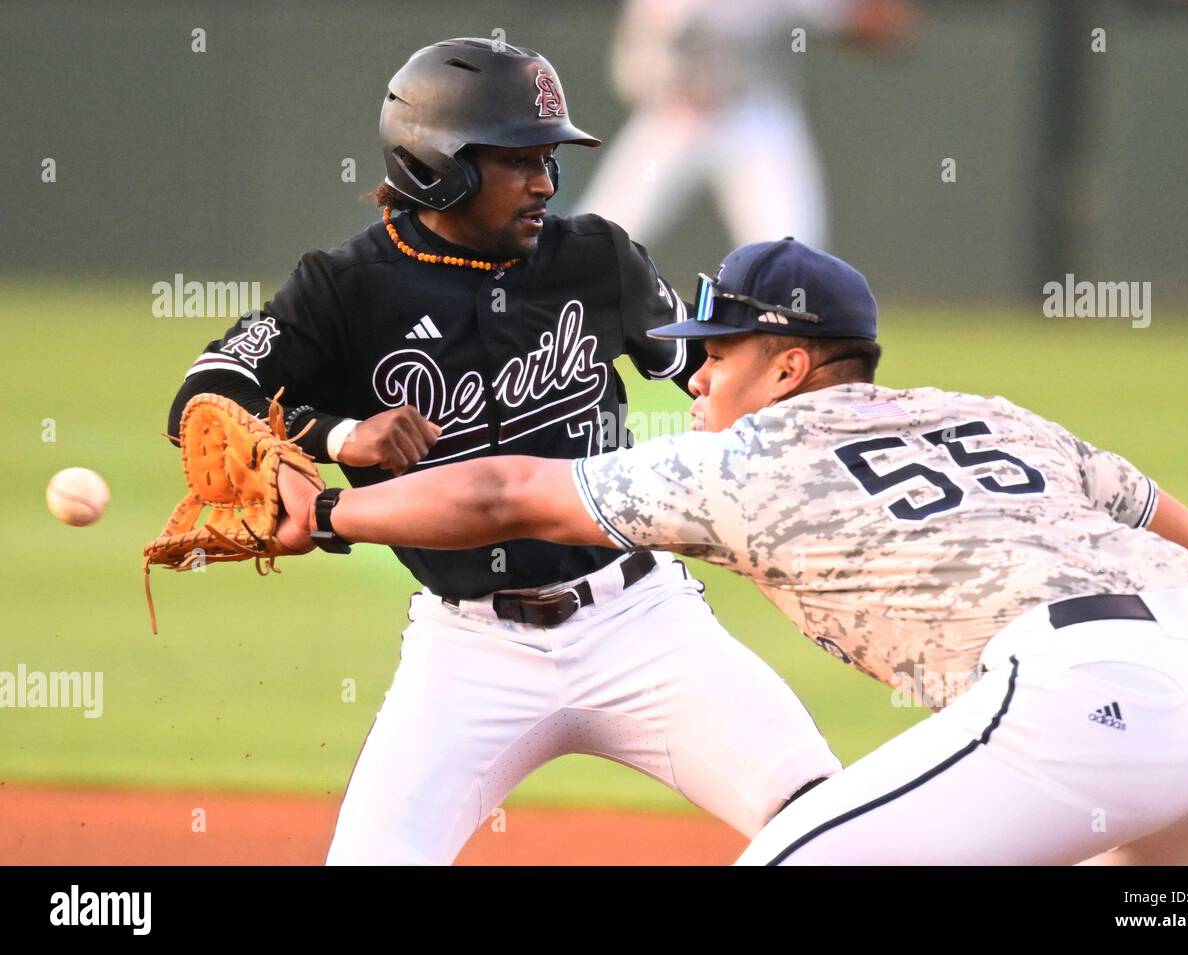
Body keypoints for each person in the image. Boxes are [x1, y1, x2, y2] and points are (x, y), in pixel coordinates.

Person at [274, 237, 1188, 865]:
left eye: (718, 352)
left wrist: (320, 517)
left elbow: (502, 490)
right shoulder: (979, 410)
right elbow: (1182, 536)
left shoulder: (746, 459)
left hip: (1087, 699)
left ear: (788, 364)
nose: (695, 378)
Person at [166, 39, 840, 866]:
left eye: (549, 158)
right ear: (436, 165)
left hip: (641, 621)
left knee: (831, 820)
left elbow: (716, 373)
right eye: (519, 161)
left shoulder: (596, 255)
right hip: (467, 650)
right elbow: (202, 396)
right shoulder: (346, 287)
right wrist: (341, 434)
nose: (545, 184)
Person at [576, 0, 916, 248]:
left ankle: (785, 332)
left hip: (755, 117)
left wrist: (878, 22)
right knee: (602, 230)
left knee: (790, 247)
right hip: (674, 116)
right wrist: (670, 90)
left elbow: (872, 24)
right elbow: (631, 72)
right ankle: (545, 313)